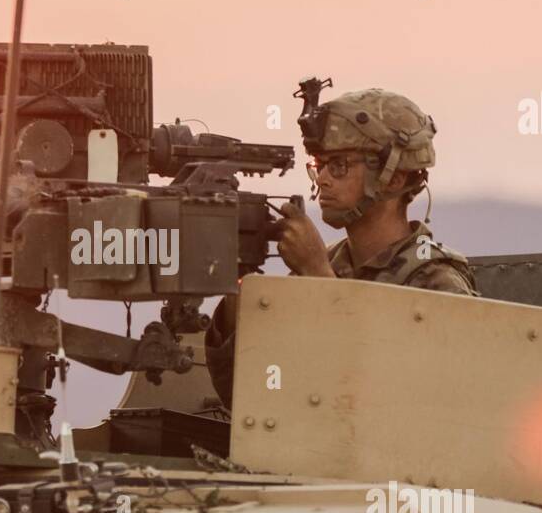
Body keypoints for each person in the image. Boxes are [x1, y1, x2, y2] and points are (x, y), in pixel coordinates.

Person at [204, 87, 477, 408]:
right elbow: (250, 396)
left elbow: (425, 406)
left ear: (393, 179)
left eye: (339, 166)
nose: (321, 179)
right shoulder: (327, 264)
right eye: (319, 165)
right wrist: (239, 282)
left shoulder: (436, 282)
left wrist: (317, 275)